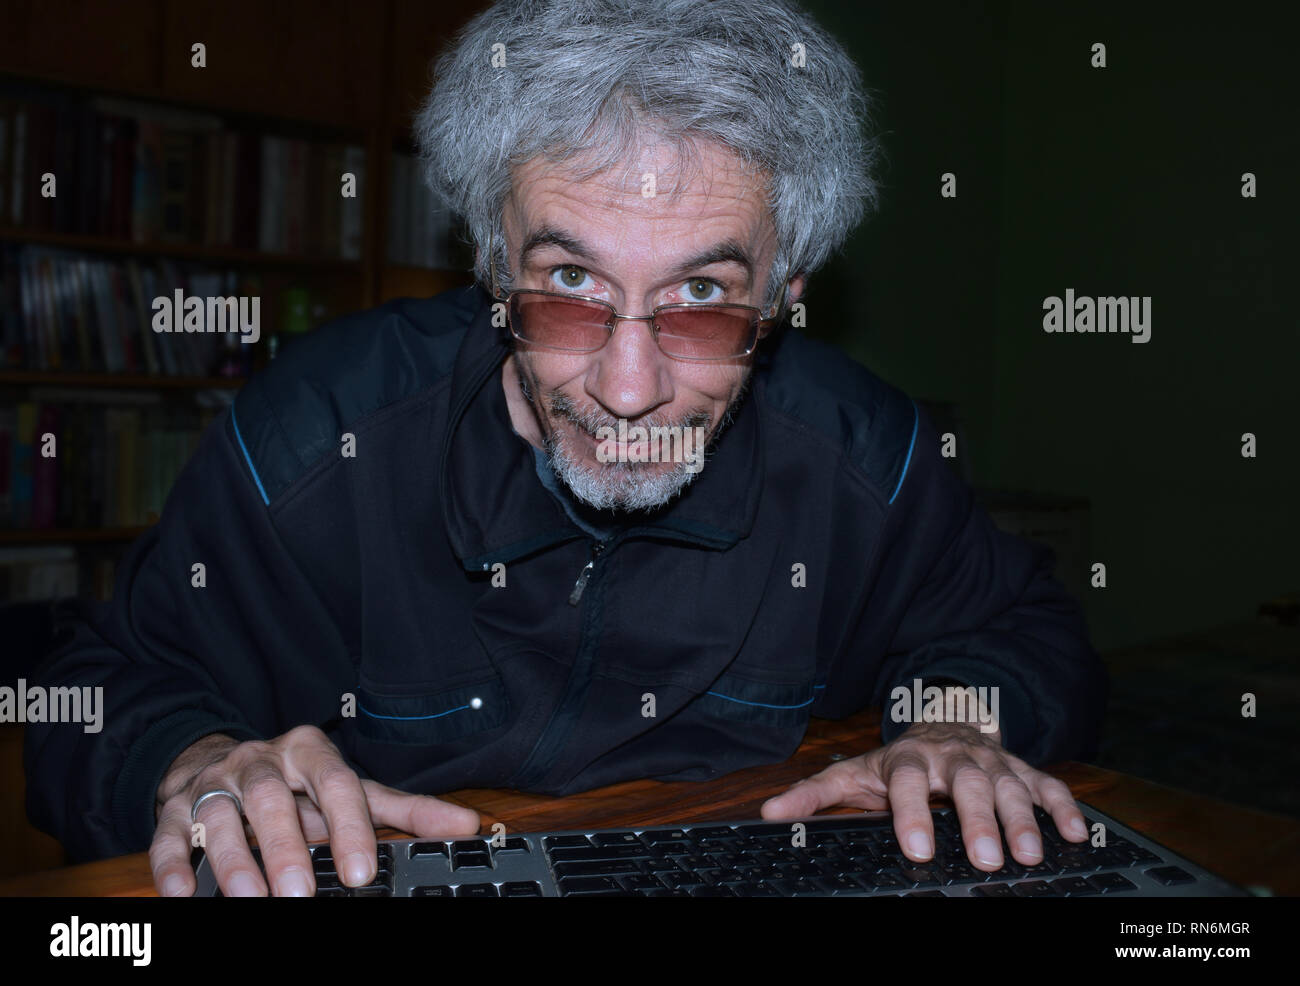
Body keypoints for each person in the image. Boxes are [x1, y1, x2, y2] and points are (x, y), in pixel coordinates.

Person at [25, 0, 1106, 897]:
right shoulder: (315, 433)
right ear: (493, 267)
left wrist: (958, 725)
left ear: (785, 296)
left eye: (701, 294)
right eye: (570, 284)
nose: (627, 388)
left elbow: (1017, 627)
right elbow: (96, 683)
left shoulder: (864, 452)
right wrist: (195, 759)